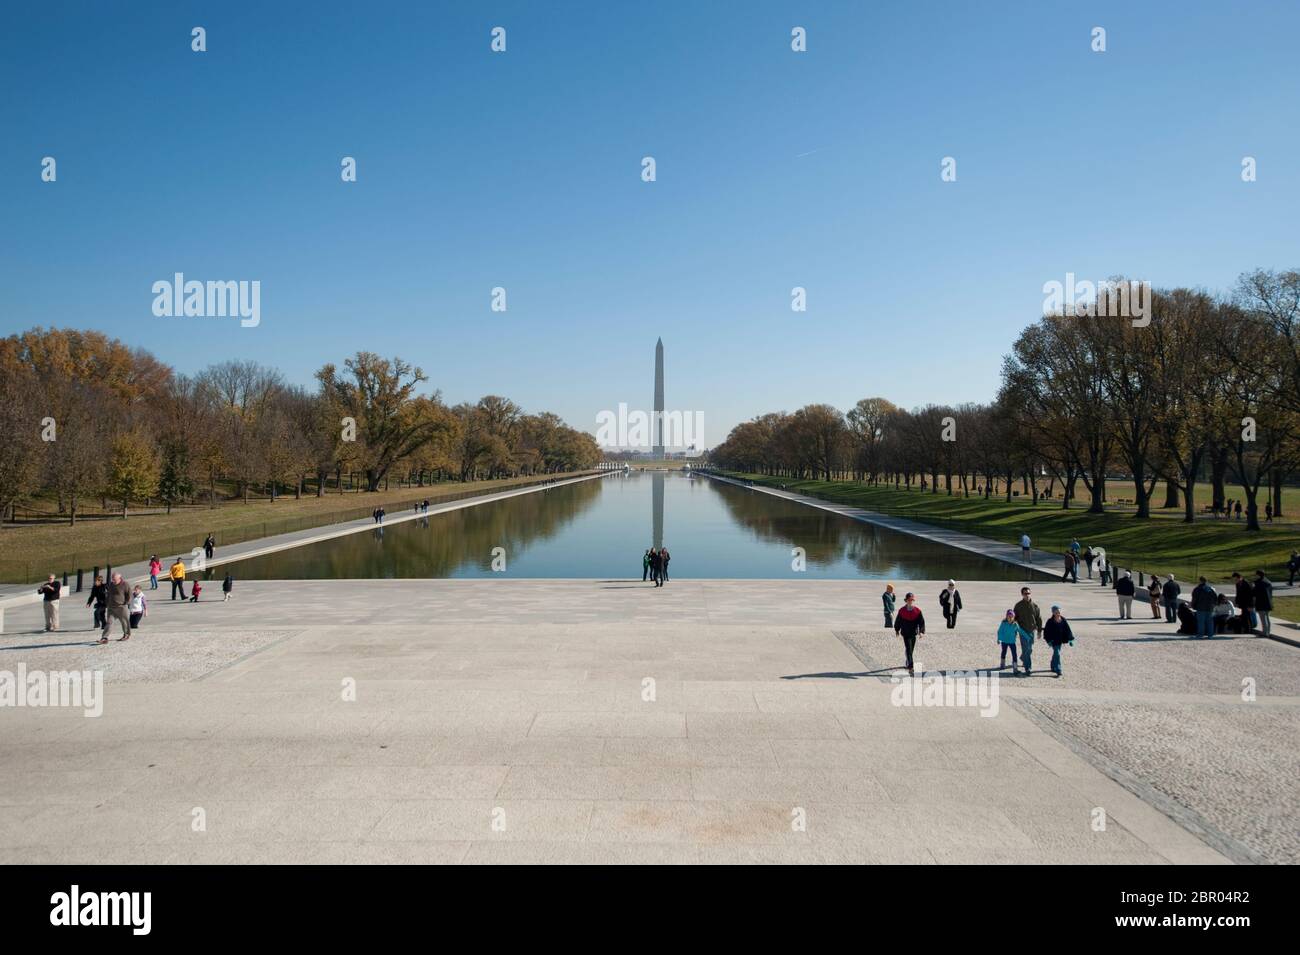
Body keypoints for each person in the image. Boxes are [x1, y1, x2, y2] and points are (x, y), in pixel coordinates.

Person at [893, 592, 925, 676]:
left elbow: (921, 622)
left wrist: (921, 632)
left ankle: (908, 660)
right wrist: (897, 630)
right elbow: (898, 621)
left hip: (913, 633)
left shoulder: (917, 611)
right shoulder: (902, 611)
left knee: (911, 650)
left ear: (913, 600)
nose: (910, 601)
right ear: (906, 600)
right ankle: (911, 667)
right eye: (908, 600)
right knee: (909, 649)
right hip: (905, 633)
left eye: (911, 600)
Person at [1013, 586, 1043, 676]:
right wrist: (1015, 630)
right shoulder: (1018, 606)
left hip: (1031, 631)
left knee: (1029, 649)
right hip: (1022, 631)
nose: (1027, 595)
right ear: (1022, 594)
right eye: (1025, 593)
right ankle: (1028, 668)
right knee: (1025, 648)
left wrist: (1039, 631)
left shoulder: (1035, 606)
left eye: (1028, 593)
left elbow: (1038, 618)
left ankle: (1023, 658)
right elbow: (1014, 619)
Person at [99, 572, 131, 643]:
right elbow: (108, 594)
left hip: (121, 607)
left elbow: (129, 594)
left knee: (124, 622)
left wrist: (126, 603)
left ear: (119, 578)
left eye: (114, 579)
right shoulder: (111, 584)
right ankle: (104, 638)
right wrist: (107, 603)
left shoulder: (125, 584)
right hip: (111, 608)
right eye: (112, 578)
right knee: (109, 622)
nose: (113, 580)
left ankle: (126, 634)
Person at [1042, 605, 1074, 677]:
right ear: (1053, 612)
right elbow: (1046, 632)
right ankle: (1058, 669)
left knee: (1056, 653)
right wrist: (1048, 641)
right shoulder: (1050, 621)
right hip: (1053, 641)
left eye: (1059, 611)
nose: (1058, 613)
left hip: (1060, 640)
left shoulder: (1063, 620)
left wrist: (1070, 639)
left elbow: (1067, 630)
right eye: (1056, 612)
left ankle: (1053, 665)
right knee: (1057, 653)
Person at [1254, 571, 1274, 637]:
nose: (1255, 576)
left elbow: (1254, 593)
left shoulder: (1258, 583)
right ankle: (1268, 632)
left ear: (1259, 575)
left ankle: (1264, 633)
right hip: (1268, 602)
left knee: (1263, 618)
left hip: (1261, 602)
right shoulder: (1268, 582)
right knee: (1267, 618)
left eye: (1256, 575)